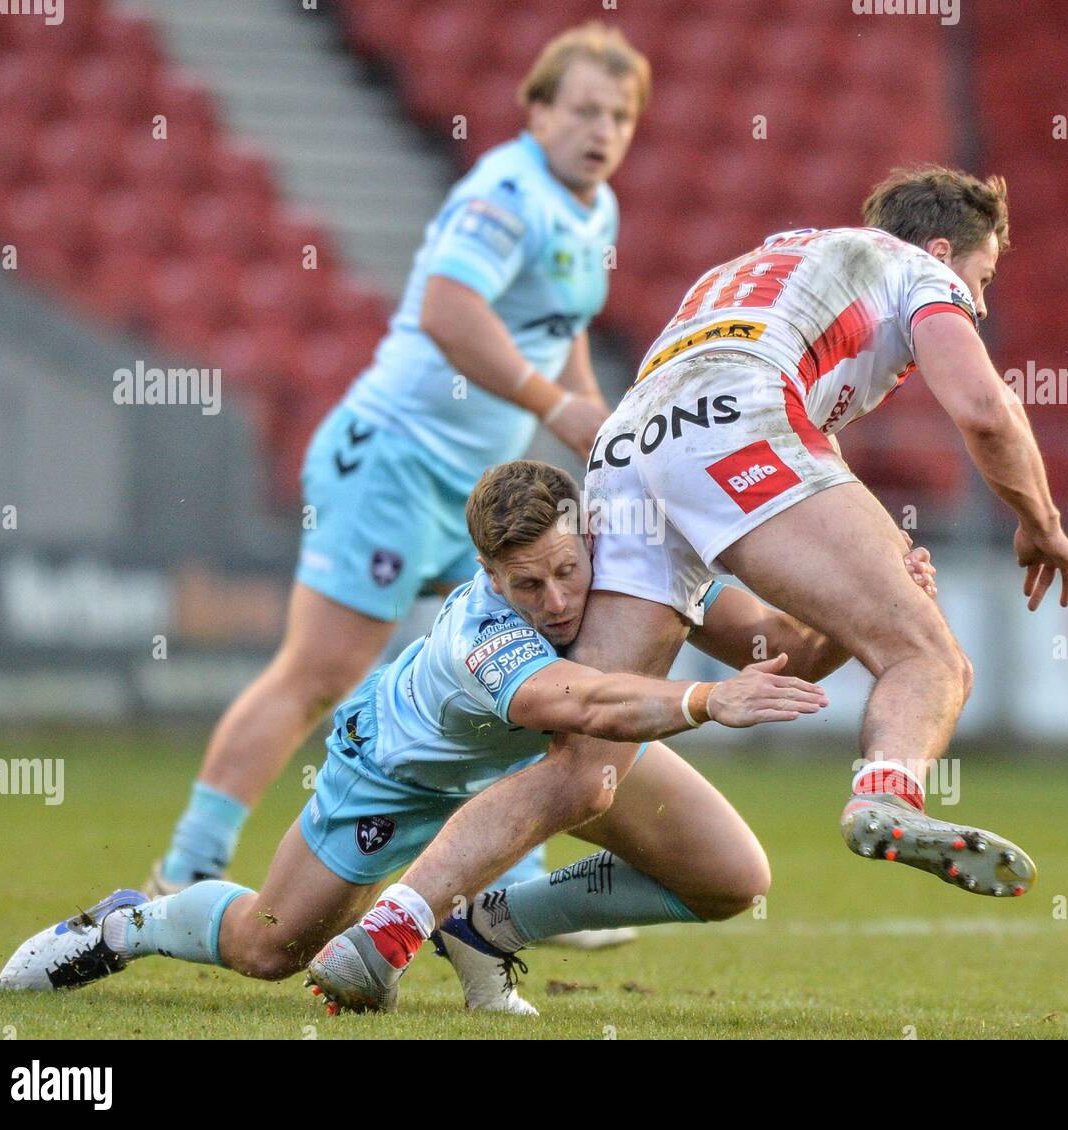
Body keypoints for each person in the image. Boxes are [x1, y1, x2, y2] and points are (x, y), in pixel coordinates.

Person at [300, 166, 1068, 1012]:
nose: (980, 296)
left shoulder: (773, 259)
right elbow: (982, 407)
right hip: (740, 413)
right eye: (984, 276)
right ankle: (886, 797)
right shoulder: (916, 272)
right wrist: (1038, 518)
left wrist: (844, 594)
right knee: (931, 657)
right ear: (942, 249)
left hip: (628, 443)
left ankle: (387, 933)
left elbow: (781, 650)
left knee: (588, 768)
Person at [0, 462, 853, 1015]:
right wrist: (707, 700)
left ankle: (488, 921)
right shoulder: (482, 632)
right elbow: (580, 699)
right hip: (397, 773)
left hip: (538, 765)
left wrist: (867, 621)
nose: (557, 600)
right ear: (488, 574)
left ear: (587, 538)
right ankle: (128, 925)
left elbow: (776, 649)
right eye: (528, 583)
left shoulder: (624, 571)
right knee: (271, 948)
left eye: (567, 570)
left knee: (732, 877)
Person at [147, 23, 649, 915]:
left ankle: (501, 879)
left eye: (619, 115)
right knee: (320, 671)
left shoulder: (592, 208)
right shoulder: (505, 190)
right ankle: (185, 868)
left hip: (469, 482)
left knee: (518, 665)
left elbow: (558, 317)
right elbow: (448, 310)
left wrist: (589, 416)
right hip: (393, 458)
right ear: (535, 109)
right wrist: (551, 404)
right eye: (582, 110)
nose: (601, 130)